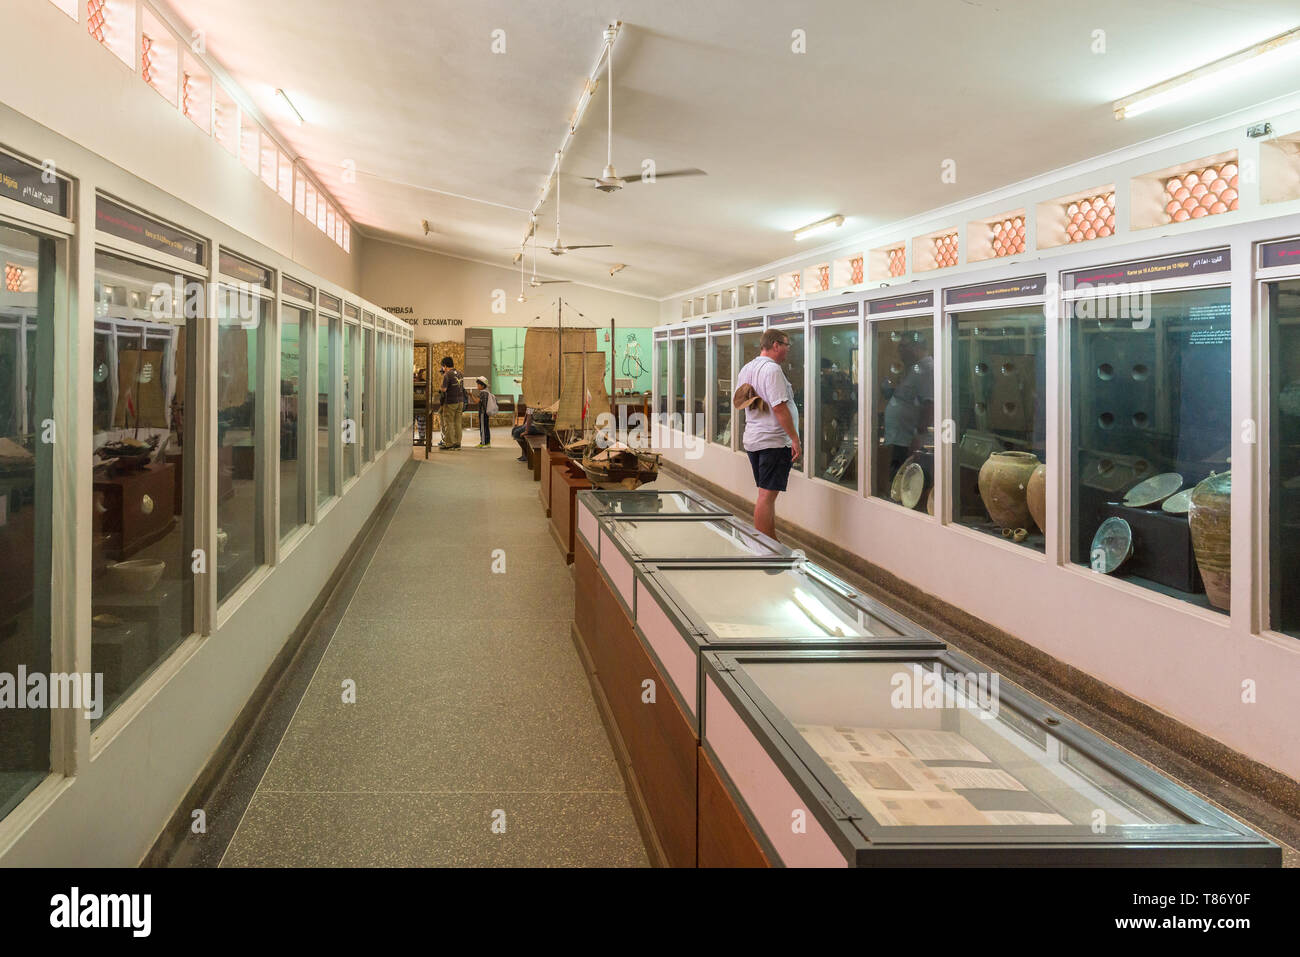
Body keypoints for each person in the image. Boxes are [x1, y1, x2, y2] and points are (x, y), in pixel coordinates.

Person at [734, 328, 800, 538]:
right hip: (773, 442)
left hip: (755, 440)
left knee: (765, 495)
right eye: (787, 345)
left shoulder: (747, 368)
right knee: (766, 496)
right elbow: (779, 408)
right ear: (776, 345)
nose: (788, 350)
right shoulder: (772, 370)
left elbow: (740, 400)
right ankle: (766, 548)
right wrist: (795, 438)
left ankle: (770, 542)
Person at [437, 355, 465, 450]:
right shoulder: (460, 373)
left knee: (448, 422)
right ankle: (457, 443)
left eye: (442, 366)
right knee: (457, 422)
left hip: (450, 402)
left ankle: (449, 443)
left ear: (445, 366)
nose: (442, 368)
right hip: (460, 401)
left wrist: (440, 388)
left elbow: (444, 389)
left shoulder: (447, 375)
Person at [474, 376, 498, 448]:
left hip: (482, 413)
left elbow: (476, 401)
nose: (477, 386)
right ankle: (487, 442)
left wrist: (470, 395)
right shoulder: (487, 392)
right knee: (486, 427)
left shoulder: (482, 393)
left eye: (478, 384)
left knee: (483, 428)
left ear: (482, 385)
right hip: (486, 413)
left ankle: (483, 442)